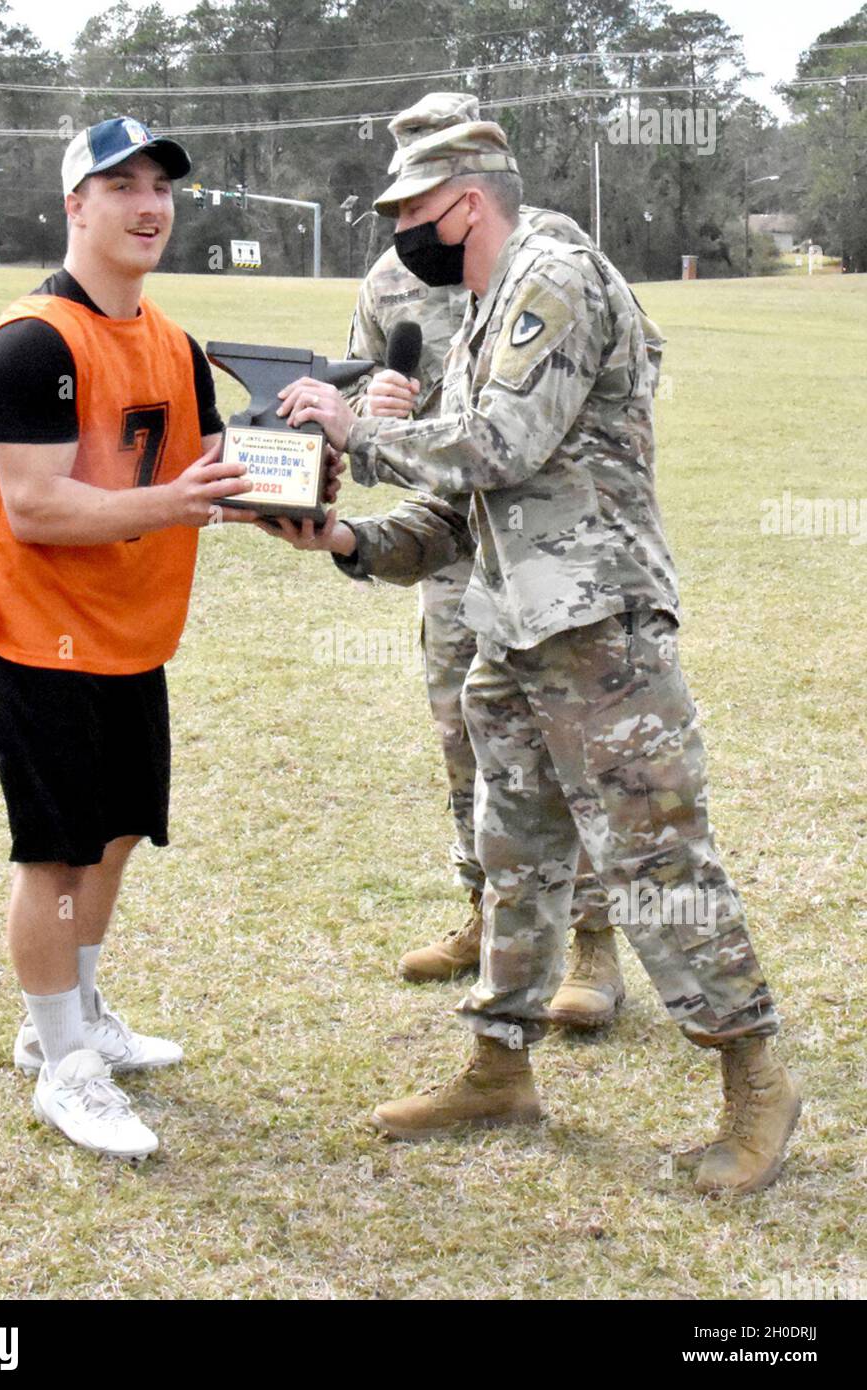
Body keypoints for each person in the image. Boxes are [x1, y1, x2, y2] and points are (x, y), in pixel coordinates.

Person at [269, 109, 801, 1193]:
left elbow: (498, 444)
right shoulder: (483, 305)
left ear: (464, 202)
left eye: (411, 212)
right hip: (511, 630)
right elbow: (469, 504)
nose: (402, 235)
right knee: (514, 858)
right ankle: (498, 1067)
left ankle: (755, 1084)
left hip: (598, 631)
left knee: (659, 863)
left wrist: (353, 425)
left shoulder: (551, 277)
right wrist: (345, 538)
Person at [0, 117, 262, 1160]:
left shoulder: (174, 342)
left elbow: (226, 467)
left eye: (162, 189)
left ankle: (75, 1014)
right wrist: (177, 505)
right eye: (120, 184)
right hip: (45, 639)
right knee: (54, 852)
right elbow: (37, 507)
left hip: (137, 637)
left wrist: (324, 442)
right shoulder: (34, 342)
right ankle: (63, 1065)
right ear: (74, 207)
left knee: (120, 829)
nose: (148, 205)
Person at [344, 92, 627, 1029]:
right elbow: (364, 399)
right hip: (449, 536)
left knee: (565, 752)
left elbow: (535, 426)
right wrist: (376, 402)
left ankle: (592, 945)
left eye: (427, 176)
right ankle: (486, 916)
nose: (405, 213)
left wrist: (388, 437)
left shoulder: (547, 259)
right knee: (469, 740)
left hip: (546, 550)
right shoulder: (391, 278)